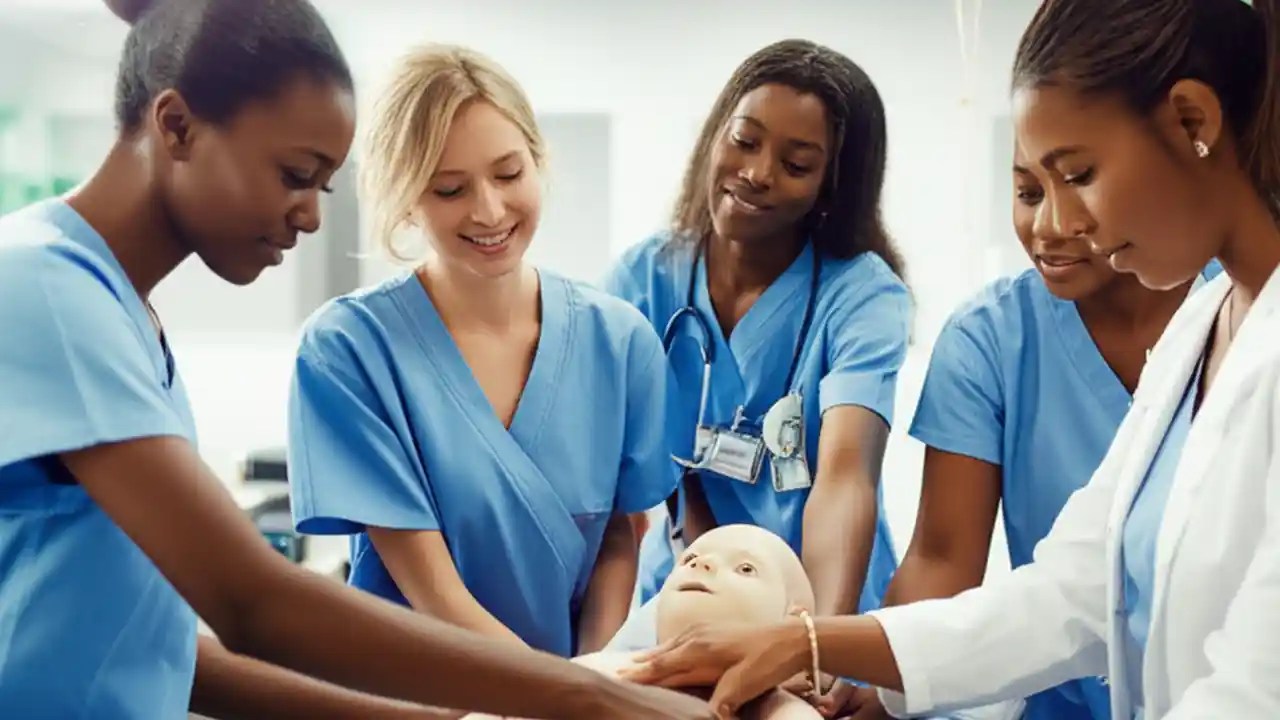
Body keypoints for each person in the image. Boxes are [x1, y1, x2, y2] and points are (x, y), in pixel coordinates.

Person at [0, 2, 713, 719]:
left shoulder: (125, 316)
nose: (311, 217)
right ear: (178, 126)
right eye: (294, 174)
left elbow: (161, 652)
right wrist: (590, 699)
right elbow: (252, 604)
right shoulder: (46, 288)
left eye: (322, 185)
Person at [620, 0, 1280, 718]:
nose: (1059, 225)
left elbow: (1257, 687)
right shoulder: (1199, 331)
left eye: (1080, 173)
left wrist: (812, 633)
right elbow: (1070, 596)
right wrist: (806, 643)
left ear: (1193, 122)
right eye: (1030, 189)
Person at [286, 43, 679, 659]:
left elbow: (618, 537)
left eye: (509, 174)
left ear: (538, 160)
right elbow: (433, 592)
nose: (489, 210)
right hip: (414, 689)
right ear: (406, 196)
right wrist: (567, 696)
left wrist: (598, 676)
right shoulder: (349, 350)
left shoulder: (620, 342)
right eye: (449, 189)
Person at [841, 122, 1226, 720]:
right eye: (1027, 192)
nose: (1046, 226)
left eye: (1080, 183)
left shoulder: (1234, 317)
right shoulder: (992, 338)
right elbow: (948, 562)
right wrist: (876, 684)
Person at [602, 40, 911, 687]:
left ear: (832, 185)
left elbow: (845, 479)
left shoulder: (861, 296)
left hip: (823, 602)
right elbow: (629, 478)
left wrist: (817, 646)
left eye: (796, 164)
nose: (757, 173)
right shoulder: (646, 277)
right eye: (744, 140)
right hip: (690, 596)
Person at [468, 524, 824, 720]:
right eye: (690, 559)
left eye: (745, 569)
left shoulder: (777, 711)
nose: (702, 565)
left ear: (794, 621)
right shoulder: (604, 670)